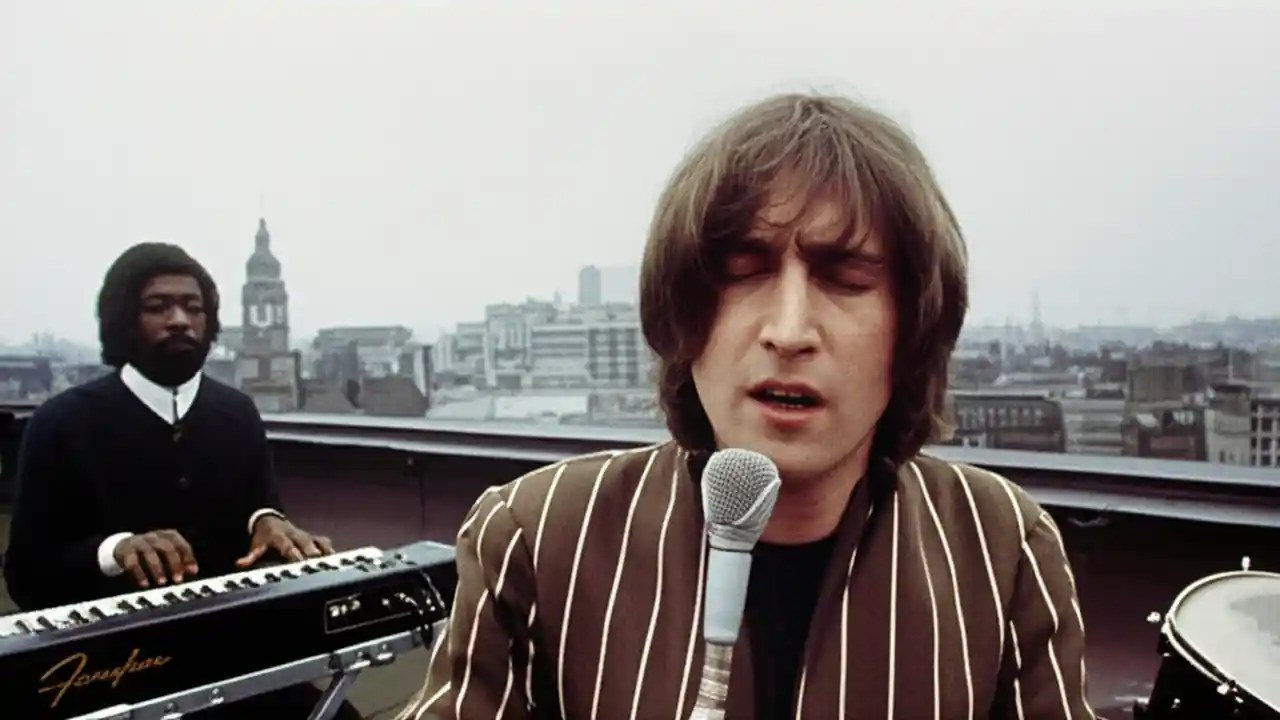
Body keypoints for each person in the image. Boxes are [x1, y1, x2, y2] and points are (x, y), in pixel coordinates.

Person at [398, 92, 1096, 720]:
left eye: (847, 279)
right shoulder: (537, 536)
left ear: (912, 327)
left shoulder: (1001, 547)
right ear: (683, 318)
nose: (788, 331)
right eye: (742, 273)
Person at [3, 242, 361, 719]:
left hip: (236, 662)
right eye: (158, 307)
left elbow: (256, 514)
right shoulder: (60, 422)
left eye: (194, 307)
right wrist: (113, 553)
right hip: (114, 673)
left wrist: (270, 521)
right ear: (123, 321)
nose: (179, 320)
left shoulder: (237, 414)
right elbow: (28, 577)